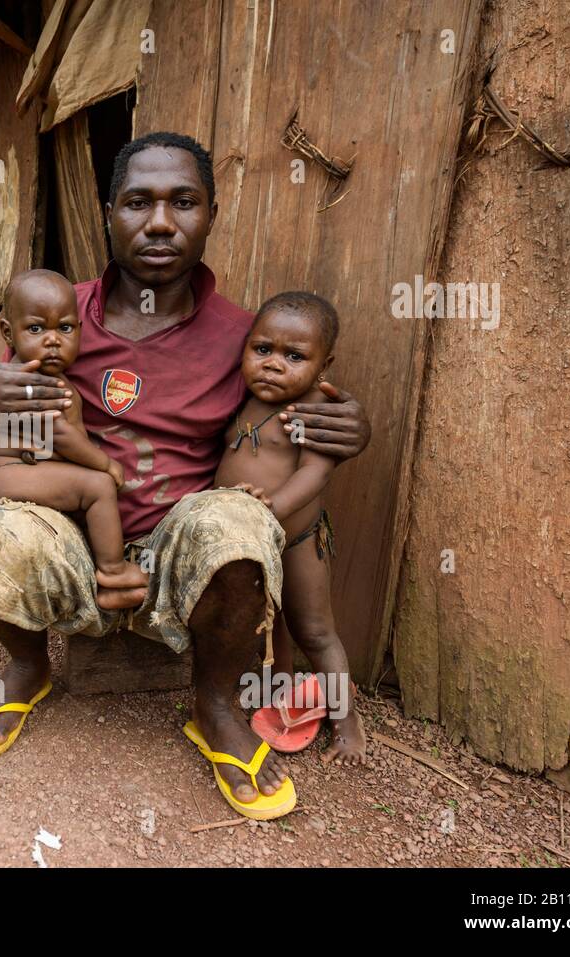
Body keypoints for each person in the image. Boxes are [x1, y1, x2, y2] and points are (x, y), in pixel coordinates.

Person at [0, 131, 371, 819]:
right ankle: (29, 666)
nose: (159, 222)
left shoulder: (246, 339)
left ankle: (215, 704)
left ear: (211, 214)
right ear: (108, 211)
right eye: (138, 202)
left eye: (183, 202)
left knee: (237, 520)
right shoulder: (52, 313)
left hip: (177, 559)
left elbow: (306, 416)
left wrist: (351, 430)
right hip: (72, 542)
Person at [213, 290, 368, 766]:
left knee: (314, 630)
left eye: (294, 357)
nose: (273, 365)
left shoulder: (312, 410)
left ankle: (348, 724)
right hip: (247, 540)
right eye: (262, 349)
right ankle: (275, 696)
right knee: (268, 621)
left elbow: (315, 474)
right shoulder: (243, 398)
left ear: (324, 365)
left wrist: (269, 510)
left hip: (295, 541)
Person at [0, 268, 148, 596]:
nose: (53, 340)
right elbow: (58, 434)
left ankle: (98, 576)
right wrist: (106, 463)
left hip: (21, 472)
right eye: (36, 328)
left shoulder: (42, 378)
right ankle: (113, 571)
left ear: (80, 330)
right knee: (99, 486)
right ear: (8, 333)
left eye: (65, 328)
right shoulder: (31, 383)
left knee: (85, 492)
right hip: (13, 473)